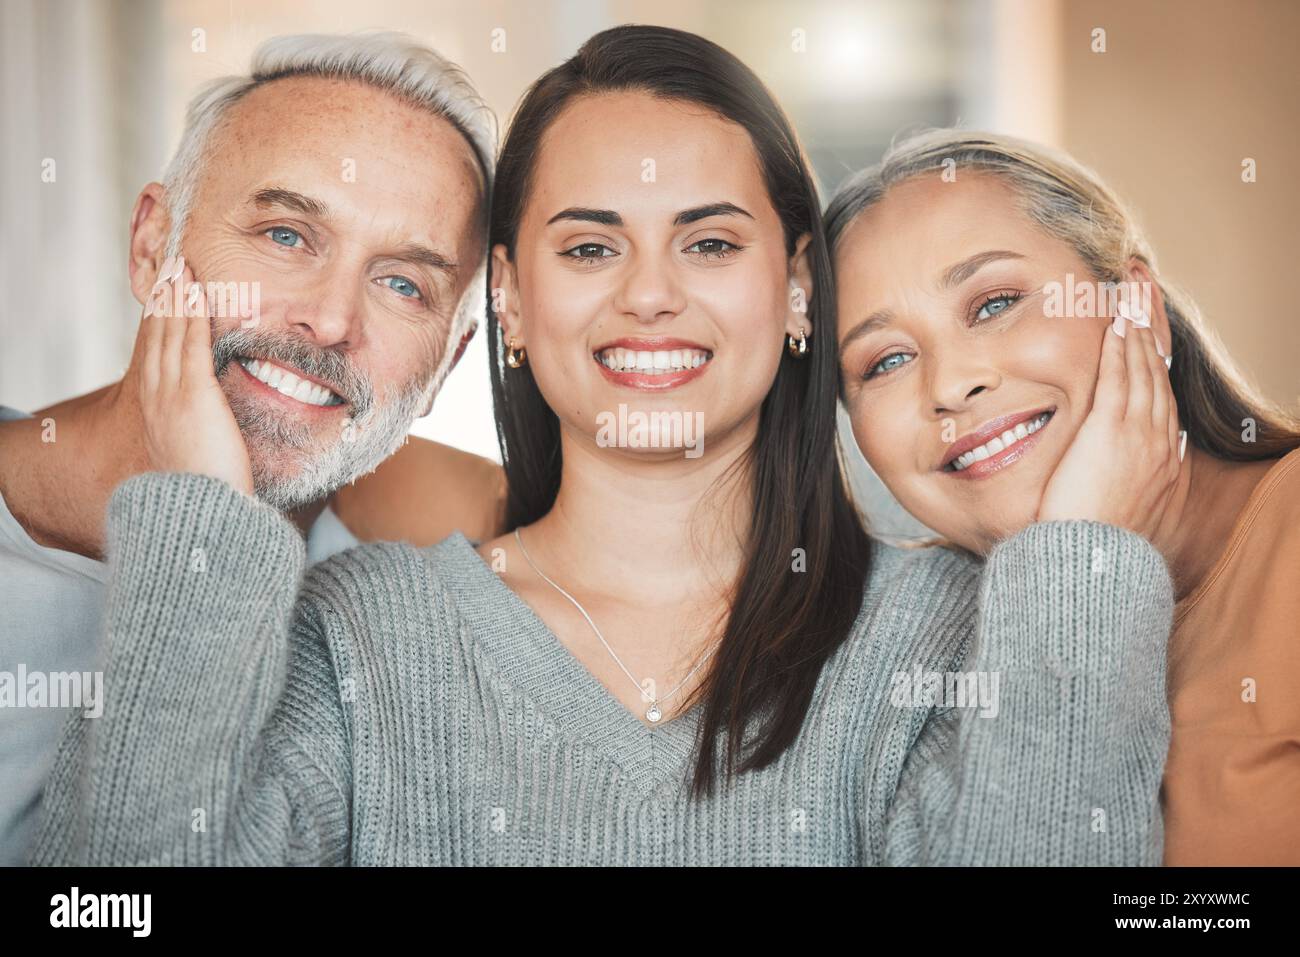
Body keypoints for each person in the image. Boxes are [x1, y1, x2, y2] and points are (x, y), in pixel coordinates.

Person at [34, 26, 1175, 867]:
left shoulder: (955, 633)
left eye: (709, 242)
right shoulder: (354, 640)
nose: (649, 298)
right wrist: (195, 531)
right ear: (510, 305)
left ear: (793, 291)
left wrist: (1078, 565)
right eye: (588, 249)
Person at [0, 31, 499, 865]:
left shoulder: (403, 621)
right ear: (152, 243)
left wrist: (207, 527)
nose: (332, 320)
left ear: (445, 366)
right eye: (285, 235)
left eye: (403, 283)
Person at [828, 128, 1300, 865]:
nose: (951, 384)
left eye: (994, 303)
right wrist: (1075, 567)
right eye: (885, 359)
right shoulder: (914, 667)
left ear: (1135, 305)